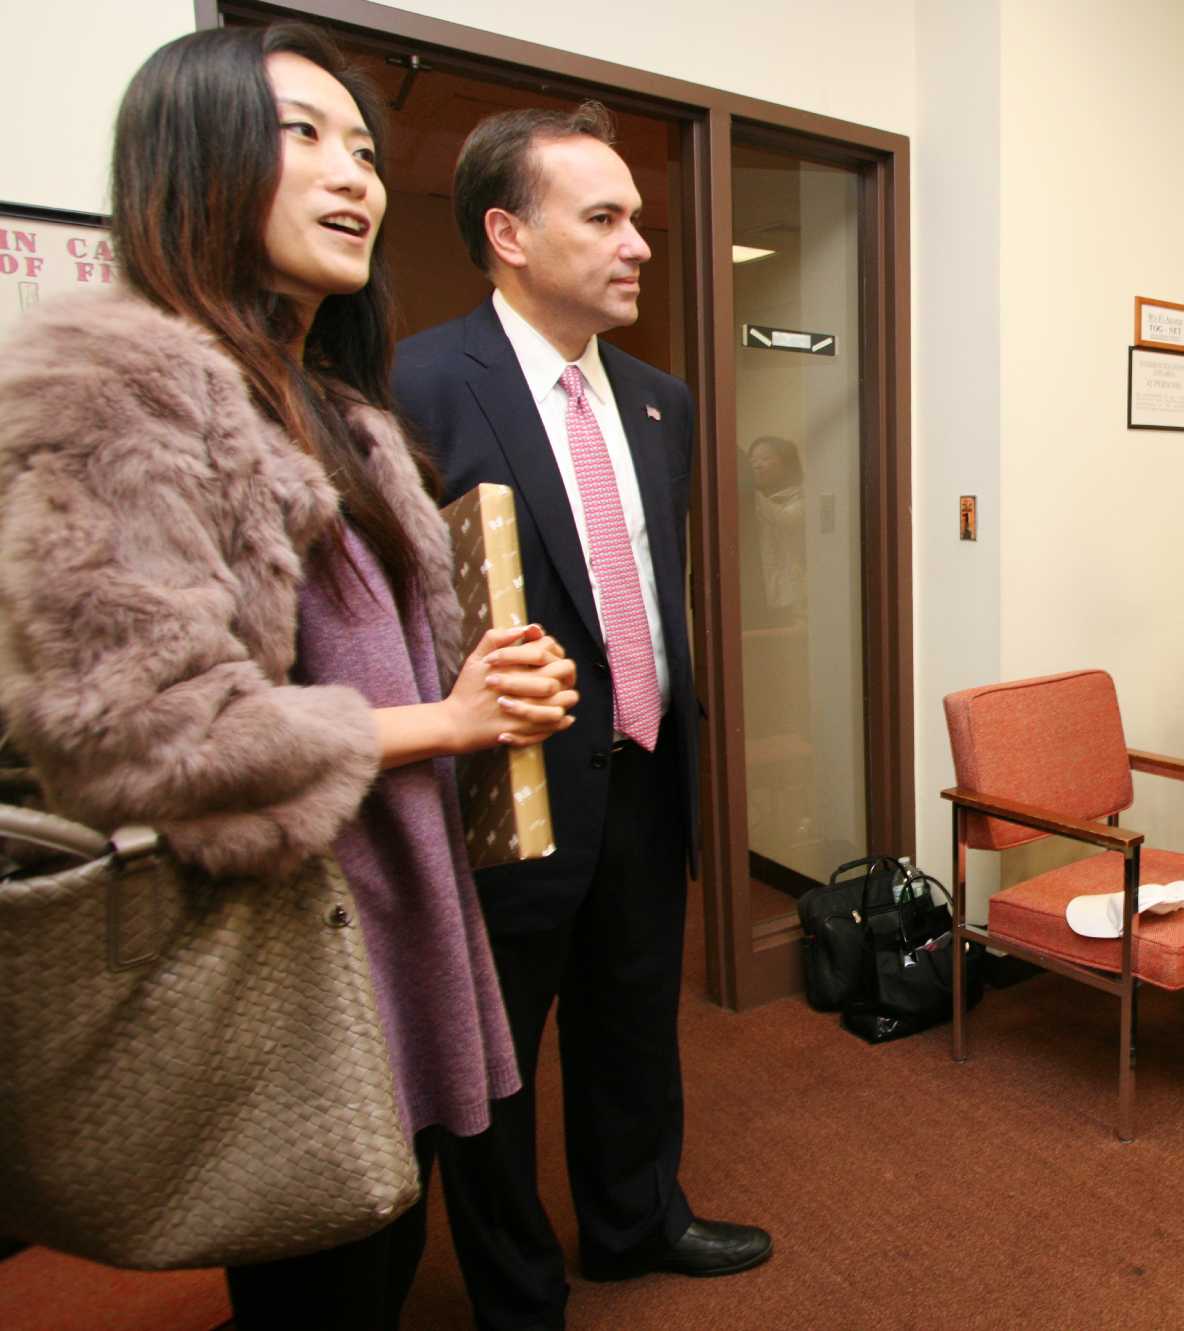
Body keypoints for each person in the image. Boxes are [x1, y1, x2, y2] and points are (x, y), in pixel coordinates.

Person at [0, 25, 578, 1330]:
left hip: (399, 910)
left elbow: (372, 664)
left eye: (365, 148)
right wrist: (447, 711)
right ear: (191, 162)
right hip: (290, 947)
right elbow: (141, 729)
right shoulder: (124, 388)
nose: (353, 175)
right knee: (321, 1282)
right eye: (300, 135)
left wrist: (486, 684)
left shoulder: (339, 410)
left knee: (374, 1257)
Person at [393, 102, 770, 1330]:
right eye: (603, 218)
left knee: (632, 1017)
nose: (637, 246)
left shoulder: (658, 401)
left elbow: (647, 598)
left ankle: (633, 1219)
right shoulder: (416, 387)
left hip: (647, 769)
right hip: (506, 792)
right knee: (493, 1066)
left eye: (637, 220)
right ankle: (518, 1290)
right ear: (506, 232)